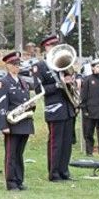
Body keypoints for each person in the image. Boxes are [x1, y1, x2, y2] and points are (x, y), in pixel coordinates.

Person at [32, 35, 78, 182]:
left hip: (68, 108)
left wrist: (71, 82)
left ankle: (64, 171)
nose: (54, 48)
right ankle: (54, 173)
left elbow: (70, 84)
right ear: (45, 48)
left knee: (66, 142)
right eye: (51, 46)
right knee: (55, 142)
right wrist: (59, 84)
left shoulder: (62, 64)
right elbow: (39, 89)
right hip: (54, 108)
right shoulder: (40, 66)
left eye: (56, 45)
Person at [0, 51, 34, 191]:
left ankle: (19, 180)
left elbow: (26, 100)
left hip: (23, 122)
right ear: (8, 66)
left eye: (19, 64)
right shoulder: (4, 82)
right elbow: (1, 105)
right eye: (15, 64)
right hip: (12, 123)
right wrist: (4, 125)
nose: (17, 67)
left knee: (19, 153)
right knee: (11, 154)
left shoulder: (23, 81)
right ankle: (11, 181)